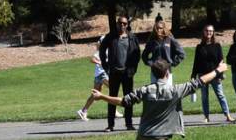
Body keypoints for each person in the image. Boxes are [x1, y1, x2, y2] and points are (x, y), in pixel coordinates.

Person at [91, 58, 228, 140]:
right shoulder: (176, 91)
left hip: (144, 135)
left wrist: (102, 96)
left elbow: (123, 101)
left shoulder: (145, 90)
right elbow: (200, 82)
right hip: (162, 137)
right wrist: (218, 70)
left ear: (154, 74)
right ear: (167, 73)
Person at [99, 15, 142, 131]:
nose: (122, 25)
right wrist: (105, 64)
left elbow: (137, 54)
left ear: (127, 25)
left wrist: (133, 69)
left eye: (124, 23)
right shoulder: (111, 37)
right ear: (117, 24)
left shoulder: (132, 38)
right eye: (120, 23)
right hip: (114, 73)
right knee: (111, 98)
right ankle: (110, 125)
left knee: (129, 98)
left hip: (127, 74)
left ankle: (129, 124)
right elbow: (102, 49)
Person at [194, 25, 233, 123]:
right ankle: (206, 117)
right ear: (204, 32)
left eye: (211, 31)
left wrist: (221, 74)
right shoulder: (199, 47)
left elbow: (221, 61)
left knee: (220, 95)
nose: (209, 33)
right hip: (203, 75)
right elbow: (196, 62)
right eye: (207, 31)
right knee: (204, 97)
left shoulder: (217, 45)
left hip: (215, 75)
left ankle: (227, 115)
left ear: (213, 32)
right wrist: (193, 74)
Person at [77, 51, 109, 121]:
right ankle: (113, 111)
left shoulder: (113, 48)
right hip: (102, 74)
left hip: (100, 74)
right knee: (113, 88)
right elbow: (92, 59)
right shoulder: (103, 50)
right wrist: (100, 63)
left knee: (95, 94)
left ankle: (83, 111)